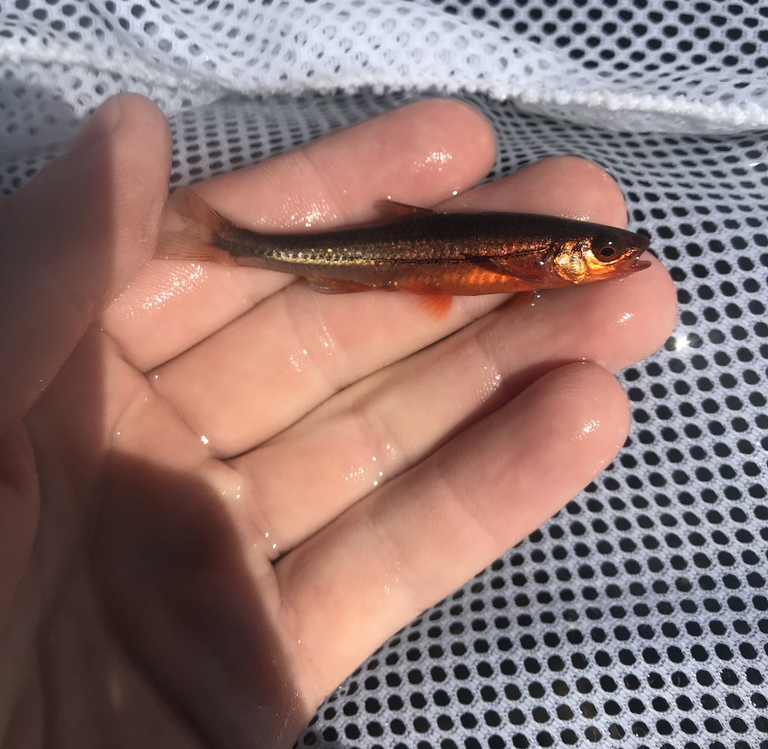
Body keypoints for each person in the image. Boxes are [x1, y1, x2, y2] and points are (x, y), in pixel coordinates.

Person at [0, 93, 676, 748]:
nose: (619, 259)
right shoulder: (542, 261)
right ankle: (229, 244)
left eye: (608, 252)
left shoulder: (541, 264)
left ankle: (230, 243)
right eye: (605, 251)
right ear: (563, 257)